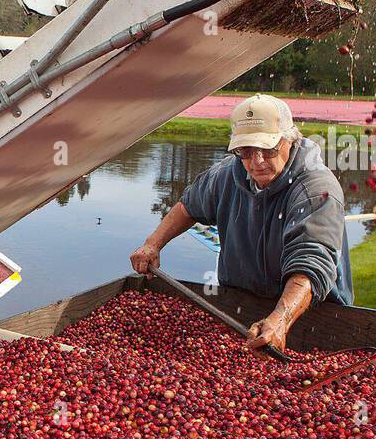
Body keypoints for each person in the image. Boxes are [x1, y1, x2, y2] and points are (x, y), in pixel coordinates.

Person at [130, 94, 352, 352]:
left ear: (290, 139)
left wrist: (280, 320)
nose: (256, 161)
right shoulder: (228, 174)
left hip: (310, 315)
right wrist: (152, 244)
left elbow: (310, 265)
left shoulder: (316, 190)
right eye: (245, 150)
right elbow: (189, 206)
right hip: (239, 304)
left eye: (267, 149)